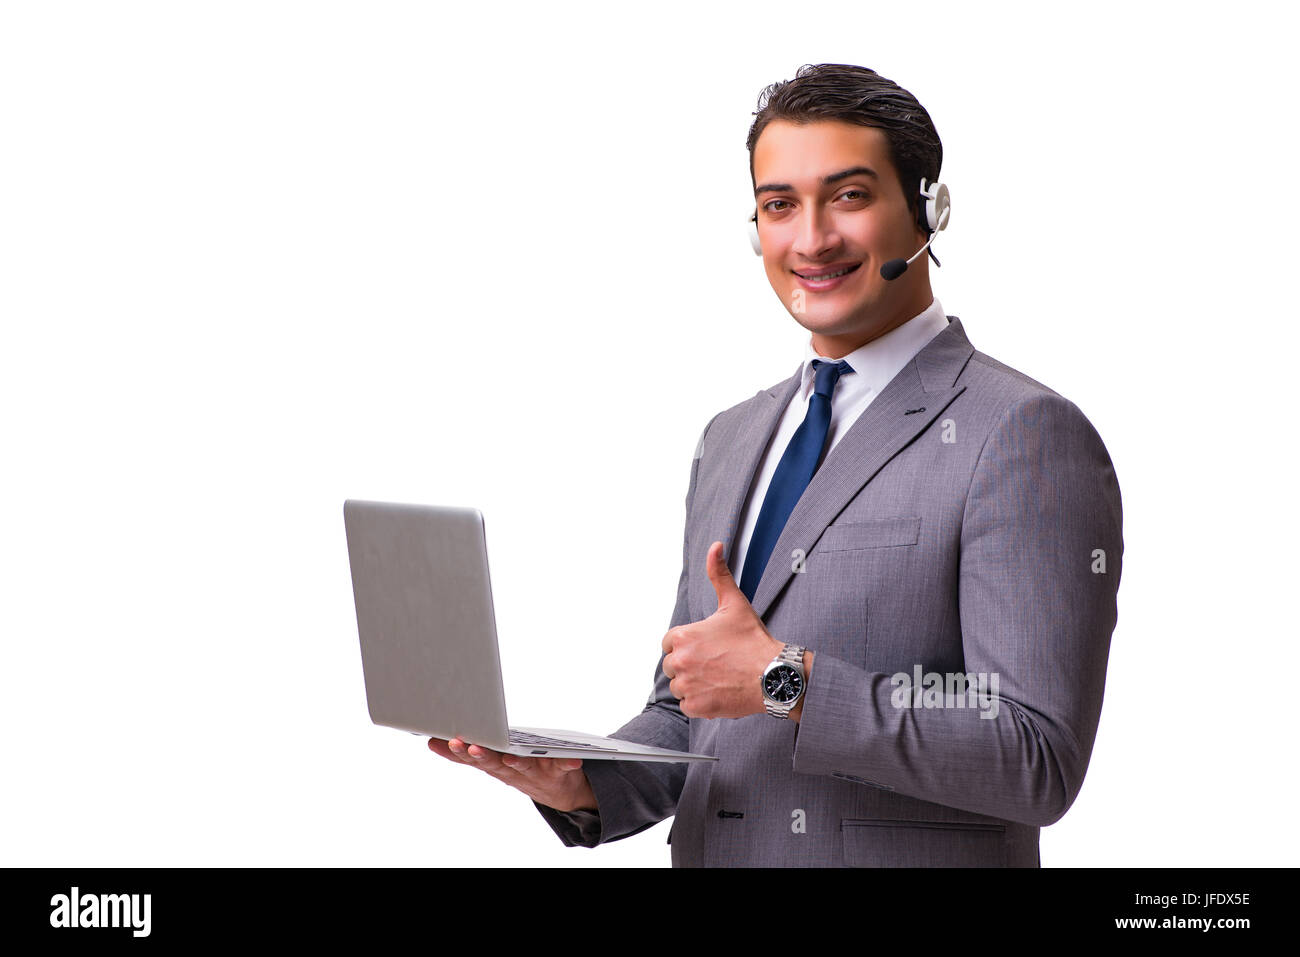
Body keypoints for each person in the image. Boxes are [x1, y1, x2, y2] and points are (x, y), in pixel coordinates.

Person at [428, 63, 1123, 867]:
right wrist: (584, 778)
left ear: (928, 208)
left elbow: (1035, 754)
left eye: (851, 196)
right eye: (780, 205)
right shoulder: (731, 438)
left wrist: (785, 680)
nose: (813, 238)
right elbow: (696, 710)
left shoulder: (1023, 433)